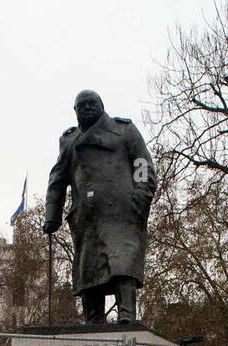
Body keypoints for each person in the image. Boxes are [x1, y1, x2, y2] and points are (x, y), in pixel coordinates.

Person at [43, 90, 155, 324]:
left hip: (121, 212)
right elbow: (57, 179)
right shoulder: (70, 141)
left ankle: (127, 314)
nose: (86, 108)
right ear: (74, 111)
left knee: (121, 262)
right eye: (81, 106)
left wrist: (140, 197)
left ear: (102, 105)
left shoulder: (125, 131)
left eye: (91, 104)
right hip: (87, 216)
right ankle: (93, 319)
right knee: (88, 270)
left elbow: (142, 164)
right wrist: (52, 215)